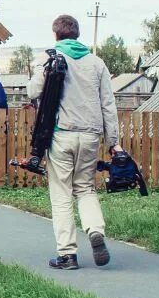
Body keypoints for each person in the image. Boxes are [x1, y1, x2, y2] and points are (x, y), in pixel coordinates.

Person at [27, 15, 122, 270]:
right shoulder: (97, 63)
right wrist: (114, 142)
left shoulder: (50, 57)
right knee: (86, 188)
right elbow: (108, 106)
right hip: (90, 136)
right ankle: (95, 230)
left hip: (61, 134)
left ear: (56, 34)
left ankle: (67, 255)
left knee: (61, 194)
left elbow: (33, 91)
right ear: (77, 35)